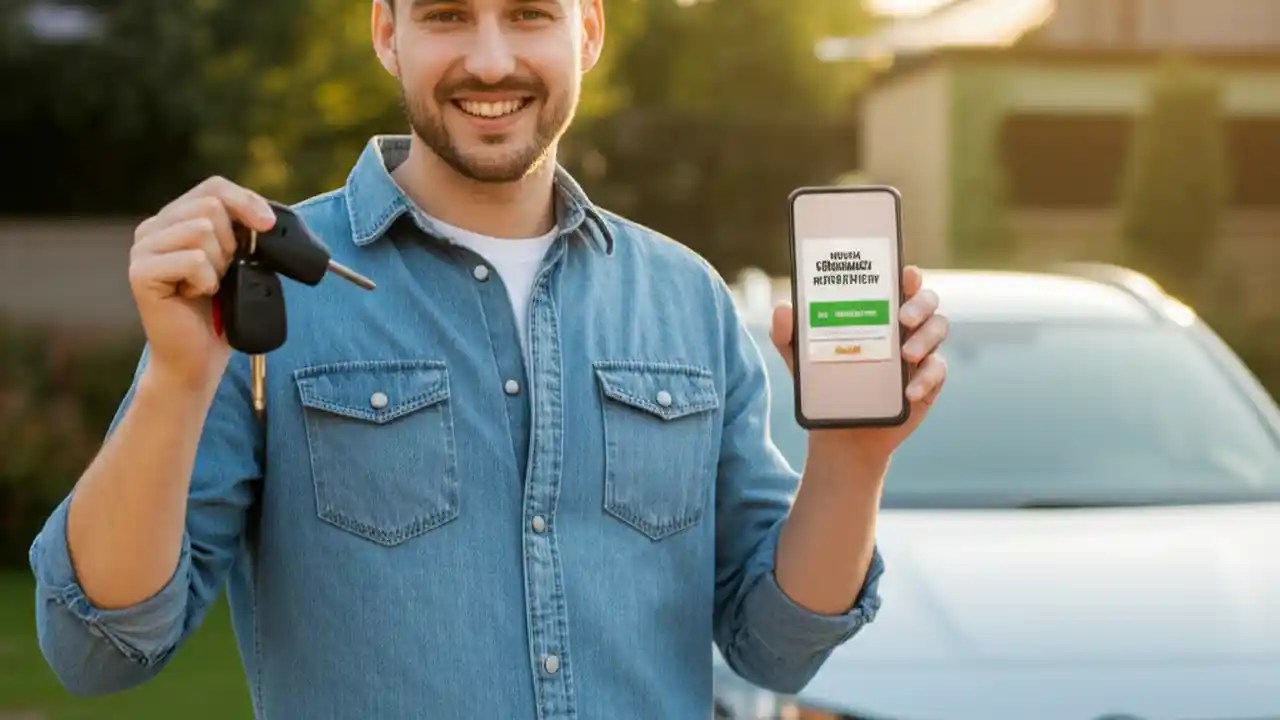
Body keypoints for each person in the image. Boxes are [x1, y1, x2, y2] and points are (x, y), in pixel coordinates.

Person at [28, 0, 949, 717]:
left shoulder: (686, 297)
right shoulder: (263, 290)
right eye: (447, 16)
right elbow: (96, 650)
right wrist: (176, 377)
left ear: (586, 32)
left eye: (529, 14)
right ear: (388, 34)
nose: (492, 58)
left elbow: (777, 648)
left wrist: (854, 460)